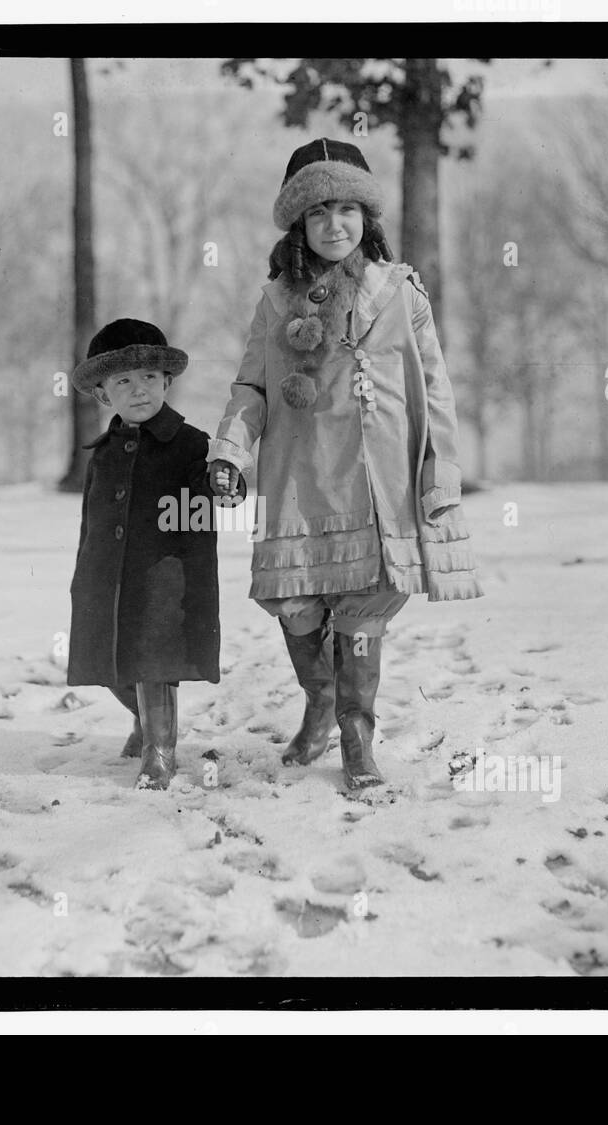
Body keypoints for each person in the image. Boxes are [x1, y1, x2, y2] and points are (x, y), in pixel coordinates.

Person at [208, 138, 482, 791]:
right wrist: (228, 449)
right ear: (298, 223)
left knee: (363, 612)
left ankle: (356, 735)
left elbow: (436, 390)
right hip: (299, 481)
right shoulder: (276, 301)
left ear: (367, 217)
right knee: (296, 605)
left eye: (348, 209)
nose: (335, 224)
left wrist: (439, 473)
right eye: (318, 211)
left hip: (377, 483)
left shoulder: (401, 293)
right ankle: (321, 701)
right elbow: (250, 387)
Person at [67, 318, 244, 790]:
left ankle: (159, 751)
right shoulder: (103, 452)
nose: (138, 390)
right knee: (107, 661)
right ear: (104, 395)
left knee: (153, 665)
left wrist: (225, 483)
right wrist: (86, 574)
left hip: (167, 577)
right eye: (123, 381)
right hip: (108, 577)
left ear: (167, 382)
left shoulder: (190, 444)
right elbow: (92, 521)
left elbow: (216, 491)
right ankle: (145, 722)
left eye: (149, 378)